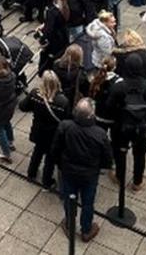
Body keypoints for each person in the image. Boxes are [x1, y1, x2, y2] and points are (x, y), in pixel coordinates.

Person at [51, 98, 112, 243]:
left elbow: (55, 149)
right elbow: (108, 158)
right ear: (92, 115)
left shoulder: (65, 126)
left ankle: (69, 225)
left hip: (69, 172)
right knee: (88, 203)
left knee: (69, 200)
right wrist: (98, 168)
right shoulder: (100, 133)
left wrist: (60, 164)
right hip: (89, 175)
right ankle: (86, 230)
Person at [105, 52, 146, 192]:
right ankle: (137, 181)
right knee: (139, 154)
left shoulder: (118, 86)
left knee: (120, 153)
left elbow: (109, 108)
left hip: (120, 127)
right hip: (142, 127)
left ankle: (119, 176)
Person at [19, 70, 70, 188]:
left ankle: (31, 173)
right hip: (54, 134)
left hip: (38, 130)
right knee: (50, 158)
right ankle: (46, 181)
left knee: (37, 151)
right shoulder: (63, 101)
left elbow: (22, 106)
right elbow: (66, 119)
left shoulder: (35, 94)